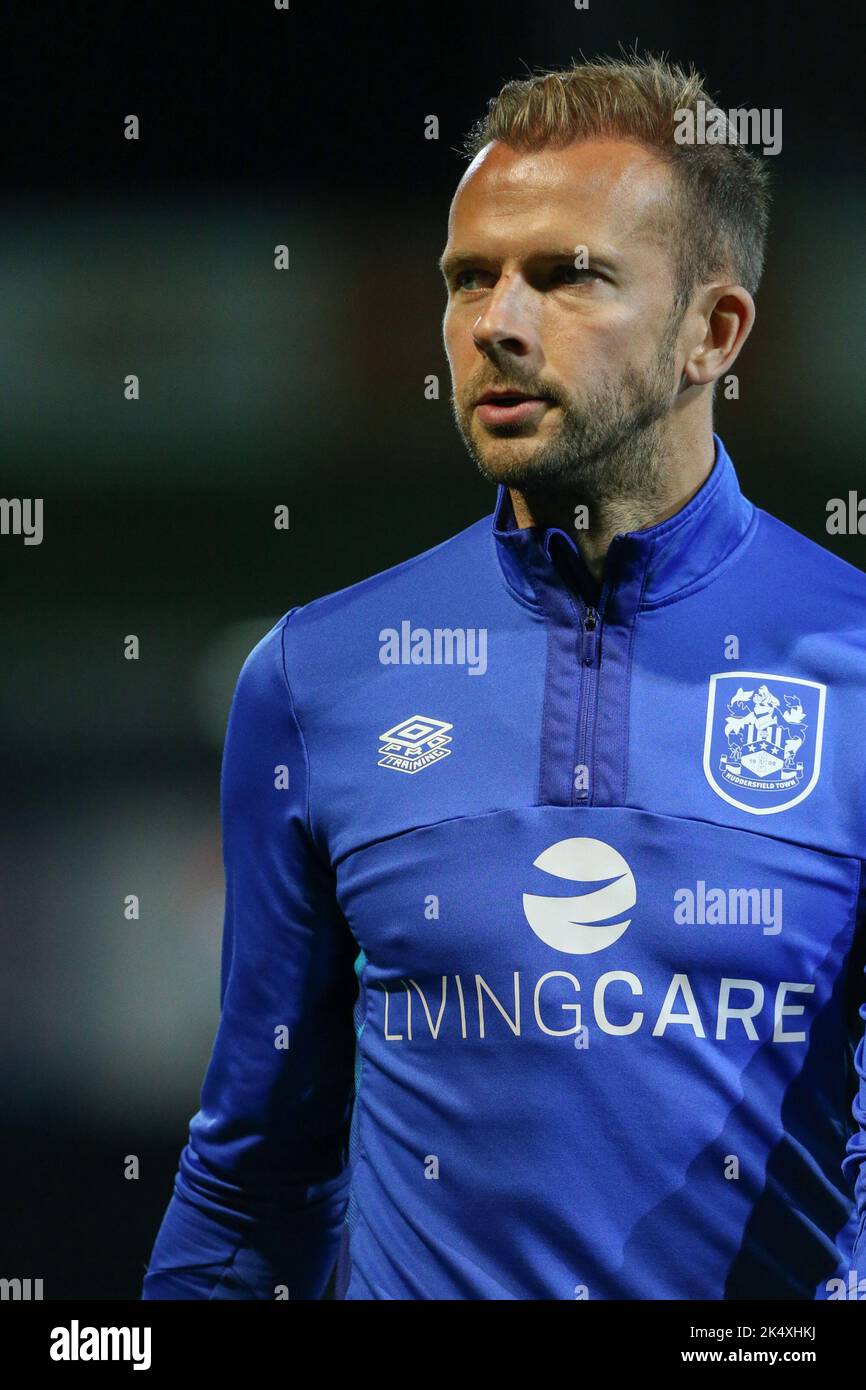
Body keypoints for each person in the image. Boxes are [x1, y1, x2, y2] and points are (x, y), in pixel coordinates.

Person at [142, 53, 866, 1300]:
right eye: (468, 276)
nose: (496, 322)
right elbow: (254, 1172)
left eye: (567, 275)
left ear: (712, 331)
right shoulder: (315, 678)